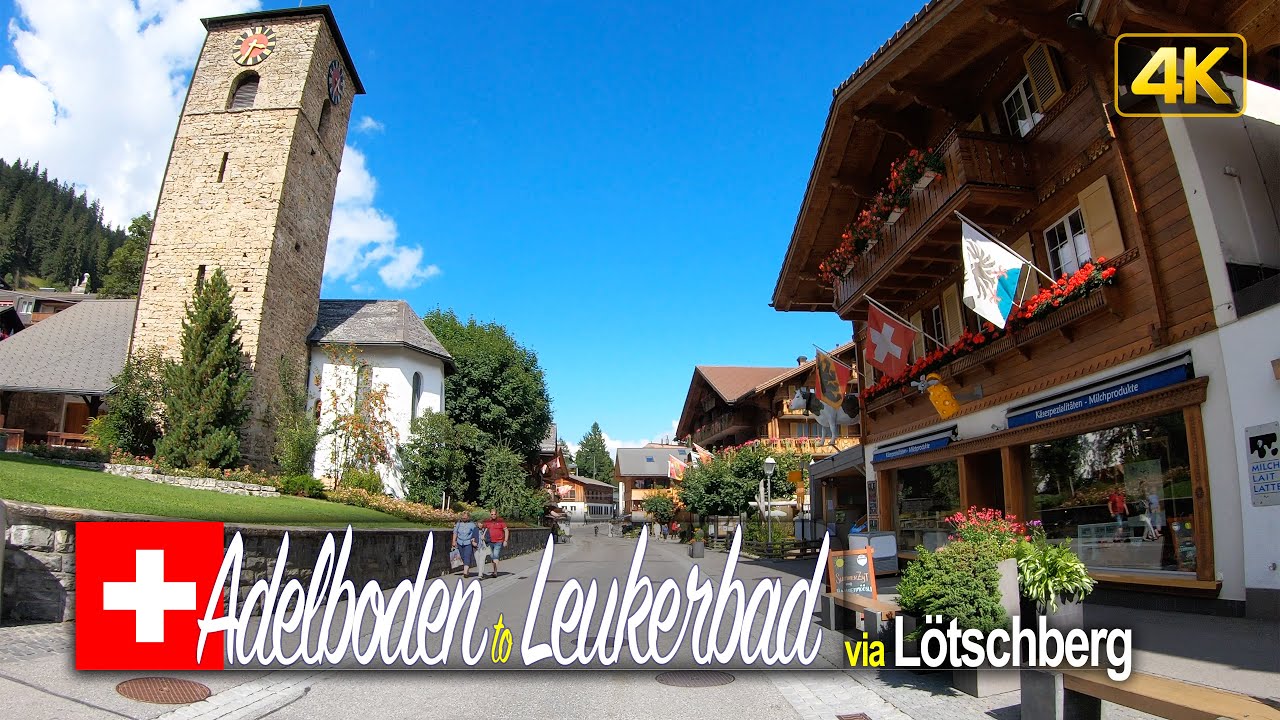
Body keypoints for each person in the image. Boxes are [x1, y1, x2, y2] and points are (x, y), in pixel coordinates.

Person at [480, 509, 507, 578]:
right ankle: (495, 570)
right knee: (492, 556)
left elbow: (506, 530)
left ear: (496, 514)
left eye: (494, 514)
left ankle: (495, 572)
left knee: (495, 555)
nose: (493, 515)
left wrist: (505, 540)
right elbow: (482, 528)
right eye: (492, 514)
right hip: (489, 542)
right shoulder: (488, 521)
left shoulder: (501, 521)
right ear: (490, 514)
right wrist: (482, 535)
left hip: (498, 541)